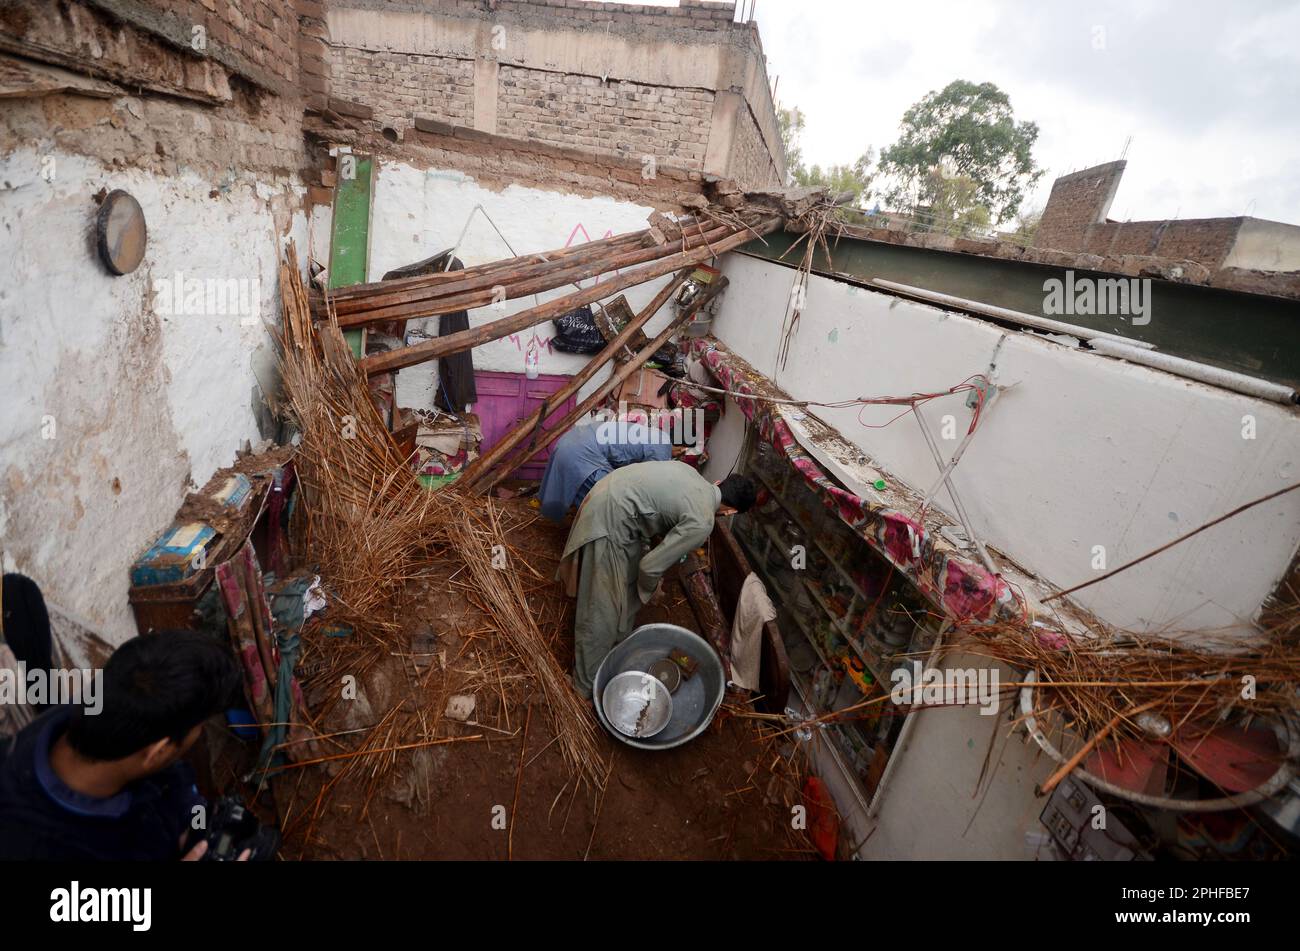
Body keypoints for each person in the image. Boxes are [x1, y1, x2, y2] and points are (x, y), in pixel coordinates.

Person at [0, 630, 243, 861]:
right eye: (200, 727)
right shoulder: (37, 846)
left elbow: (182, 791)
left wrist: (198, 827)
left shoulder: (106, 713)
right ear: (158, 752)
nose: (199, 734)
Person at [557, 461, 756, 698]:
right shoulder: (703, 521)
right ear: (731, 511)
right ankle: (582, 687)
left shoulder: (691, 474)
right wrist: (650, 591)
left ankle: (617, 642)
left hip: (607, 492)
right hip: (610, 519)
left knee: (628, 580)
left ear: (718, 484)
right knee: (602, 609)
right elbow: (650, 567)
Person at [537, 419, 672, 521]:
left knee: (593, 497)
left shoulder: (653, 435)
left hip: (573, 438)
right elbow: (652, 484)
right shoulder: (662, 447)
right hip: (582, 451)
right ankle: (591, 540)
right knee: (604, 502)